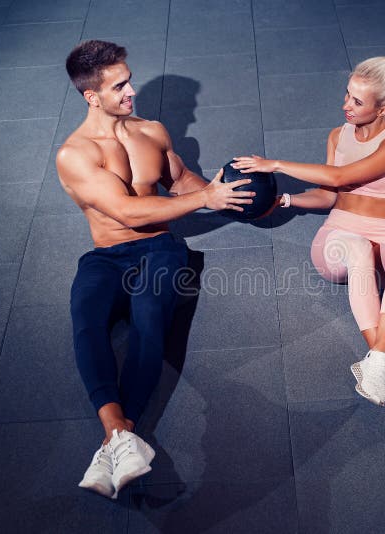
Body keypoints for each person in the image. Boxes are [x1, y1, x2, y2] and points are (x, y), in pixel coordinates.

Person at [56, 40, 254, 499]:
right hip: (106, 255)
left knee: (148, 319)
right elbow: (125, 211)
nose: (131, 91)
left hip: (160, 250)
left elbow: (181, 181)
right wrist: (203, 201)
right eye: (119, 85)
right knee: (86, 321)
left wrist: (237, 198)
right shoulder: (75, 154)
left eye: (129, 79)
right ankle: (120, 435)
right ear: (93, 96)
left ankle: (115, 440)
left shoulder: (151, 131)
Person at [233, 48, 385, 407]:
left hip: (381, 243)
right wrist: (287, 201)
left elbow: (342, 176)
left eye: (357, 100)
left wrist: (276, 163)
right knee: (356, 247)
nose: (346, 104)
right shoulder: (337, 136)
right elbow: (329, 194)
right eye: (347, 94)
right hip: (337, 243)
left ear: (383, 109)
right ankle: (384, 359)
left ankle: (377, 360)